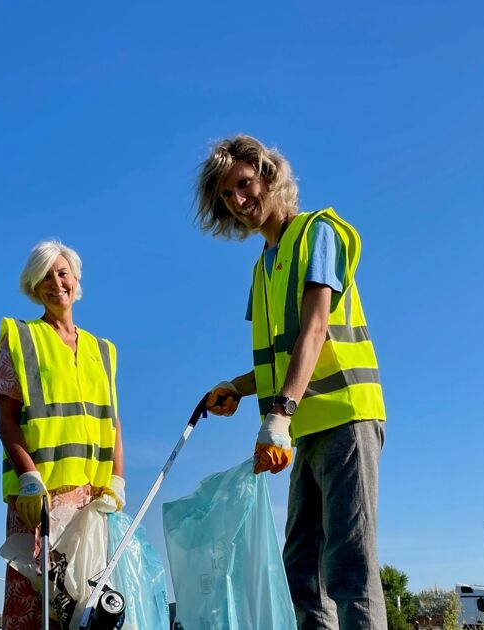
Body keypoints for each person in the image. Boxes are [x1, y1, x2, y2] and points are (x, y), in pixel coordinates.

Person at [193, 134, 388, 629]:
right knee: (300, 569)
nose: (239, 202)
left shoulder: (317, 233)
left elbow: (316, 329)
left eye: (243, 184)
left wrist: (279, 414)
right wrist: (236, 387)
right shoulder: (263, 269)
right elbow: (279, 362)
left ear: (269, 174)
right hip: (303, 430)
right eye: (227, 198)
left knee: (349, 566)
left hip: (344, 417)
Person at [0, 240, 126, 630]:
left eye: (62, 272)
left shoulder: (104, 351)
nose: (56, 282)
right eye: (45, 276)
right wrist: (29, 479)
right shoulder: (20, 338)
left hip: (90, 503)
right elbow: (6, 420)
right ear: (33, 287)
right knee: (36, 612)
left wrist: (116, 478)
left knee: (87, 610)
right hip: (38, 502)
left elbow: (112, 421)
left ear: (76, 279)